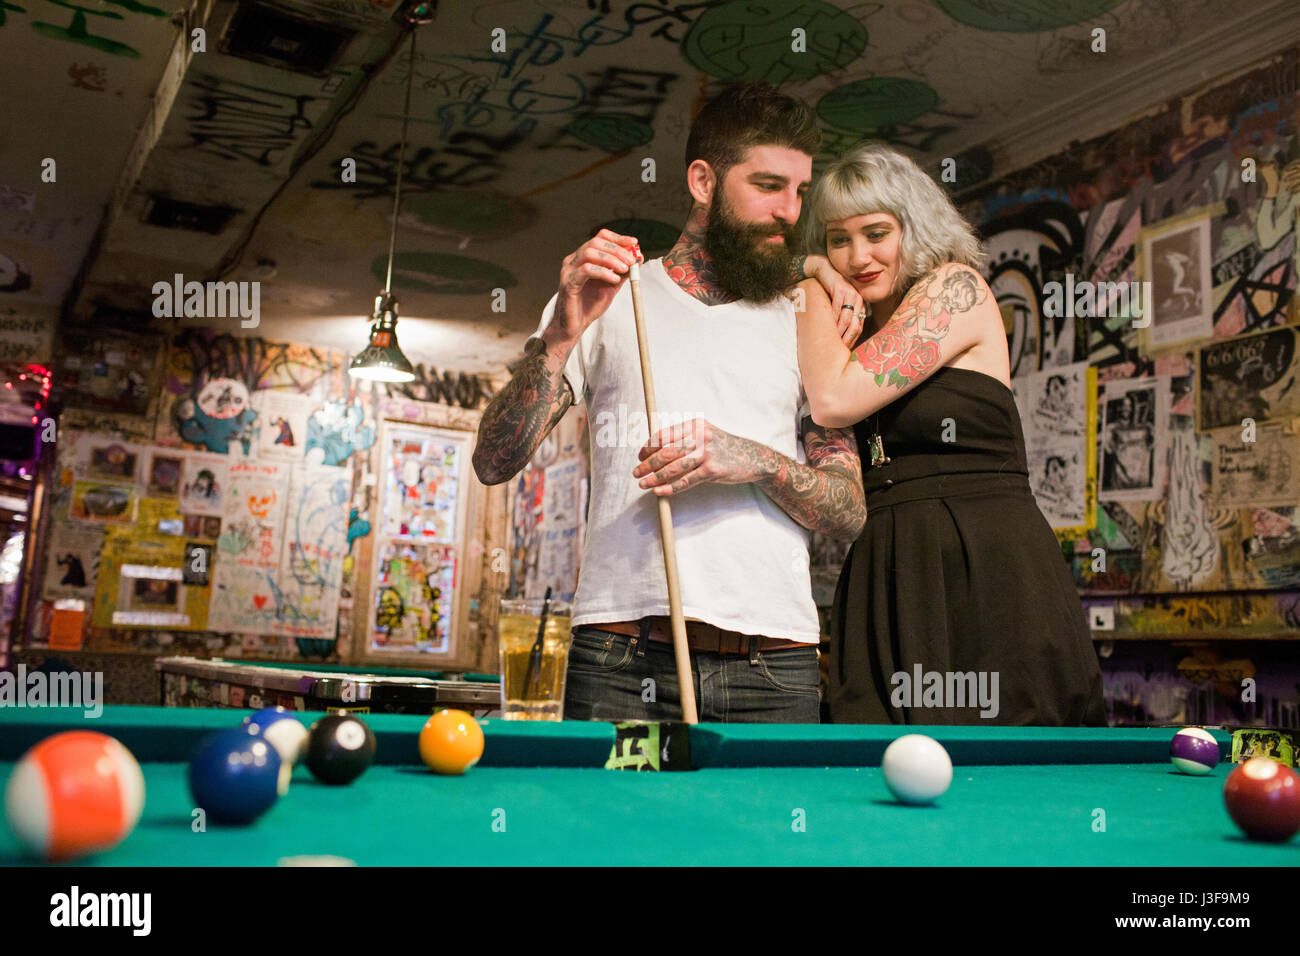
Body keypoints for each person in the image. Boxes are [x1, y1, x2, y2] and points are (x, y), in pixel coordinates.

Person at [474, 83, 868, 723]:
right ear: (703, 182)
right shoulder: (611, 298)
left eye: (800, 192)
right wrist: (558, 339)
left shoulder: (805, 315)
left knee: (772, 831)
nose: (790, 212)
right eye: (769, 186)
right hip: (621, 659)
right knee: (617, 828)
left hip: (776, 666)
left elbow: (848, 510)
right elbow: (494, 460)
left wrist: (756, 460)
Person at [795, 143, 1106, 726]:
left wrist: (812, 280)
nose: (857, 255)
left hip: (983, 564)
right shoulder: (851, 326)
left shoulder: (953, 289)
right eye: (837, 240)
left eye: (876, 232)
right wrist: (812, 269)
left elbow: (833, 401)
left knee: (1007, 771)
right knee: (874, 768)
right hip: (884, 564)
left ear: (915, 228)